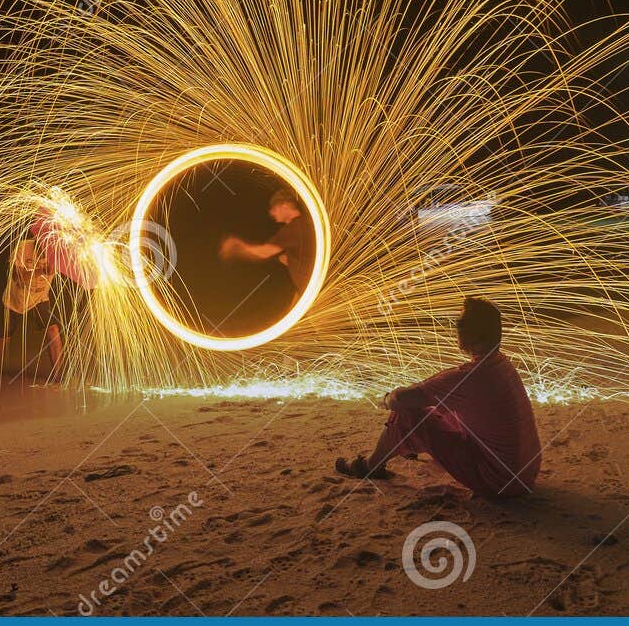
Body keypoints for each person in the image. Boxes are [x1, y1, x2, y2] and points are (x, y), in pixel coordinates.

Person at [336, 296, 541, 497]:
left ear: (469, 334)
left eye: (458, 325)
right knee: (442, 410)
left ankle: (370, 466)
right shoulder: (502, 364)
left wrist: (387, 399)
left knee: (406, 414)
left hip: (497, 481)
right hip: (525, 474)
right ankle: (408, 444)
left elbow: (401, 399)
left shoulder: (468, 377)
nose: (454, 330)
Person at [0, 234, 60, 381]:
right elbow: (17, 276)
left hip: (39, 298)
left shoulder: (56, 253)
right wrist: (40, 271)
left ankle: (57, 375)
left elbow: (58, 270)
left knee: (53, 329)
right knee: (3, 336)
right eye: (43, 244)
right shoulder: (23, 247)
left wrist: (52, 267)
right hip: (15, 299)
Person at [217, 186, 315, 294]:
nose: (271, 213)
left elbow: (263, 252)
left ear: (285, 206)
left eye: (274, 208)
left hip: (312, 289)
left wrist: (237, 244)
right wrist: (292, 259)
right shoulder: (307, 223)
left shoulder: (292, 229)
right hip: (313, 287)